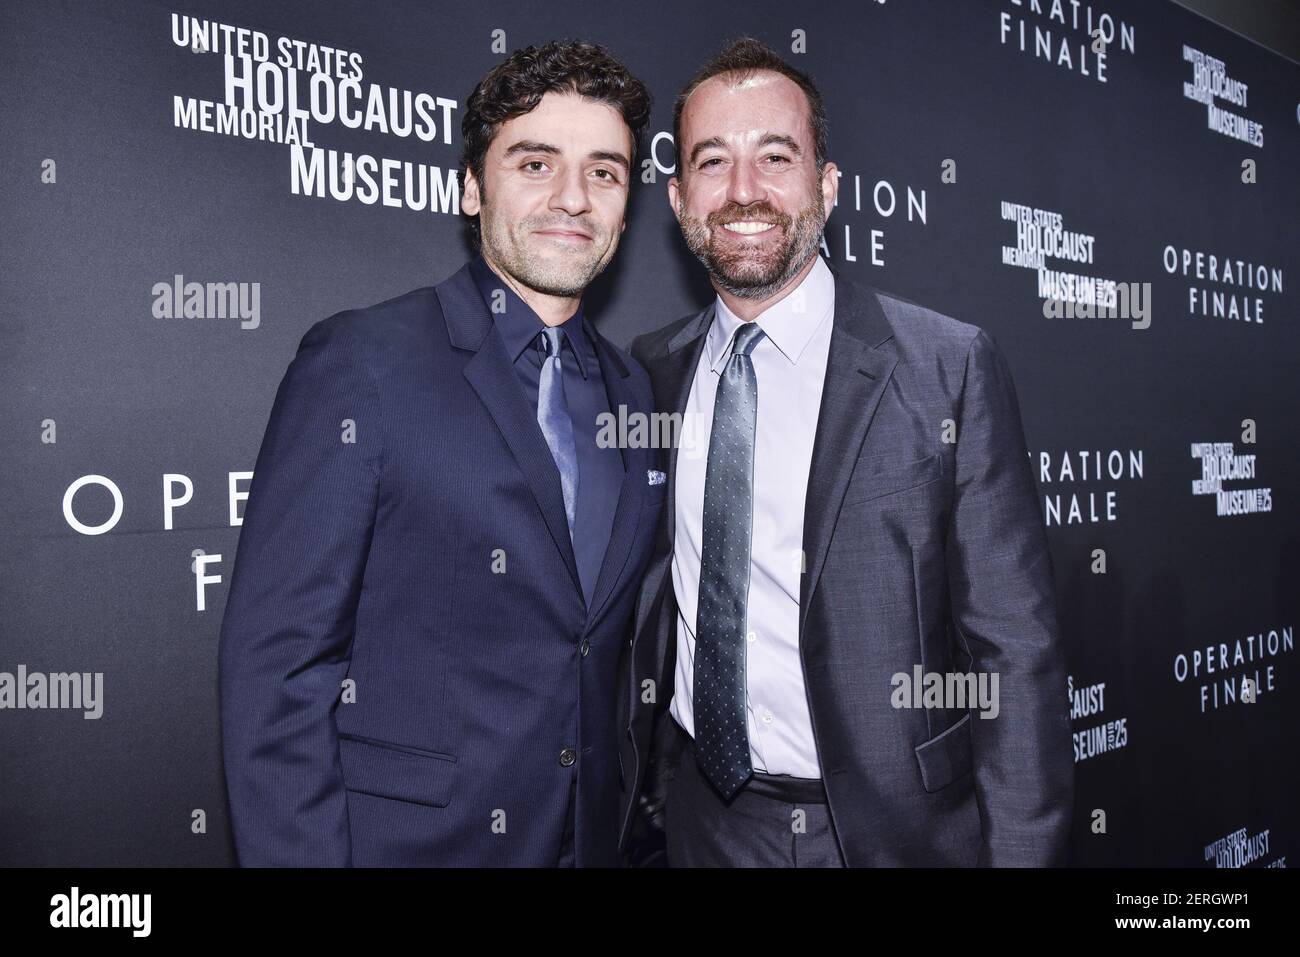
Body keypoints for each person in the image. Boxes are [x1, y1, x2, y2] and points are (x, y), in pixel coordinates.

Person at [619, 37, 1074, 867]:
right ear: (680, 198)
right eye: (712, 162)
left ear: (827, 187)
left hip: (894, 834)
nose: (744, 191)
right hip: (703, 827)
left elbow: (1016, 652)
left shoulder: (946, 368)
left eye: (776, 155)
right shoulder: (652, 371)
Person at [220, 39, 659, 867]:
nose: (573, 197)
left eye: (604, 171)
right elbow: (278, 671)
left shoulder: (637, 393)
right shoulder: (362, 363)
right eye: (535, 163)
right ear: (470, 186)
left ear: (627, 205)